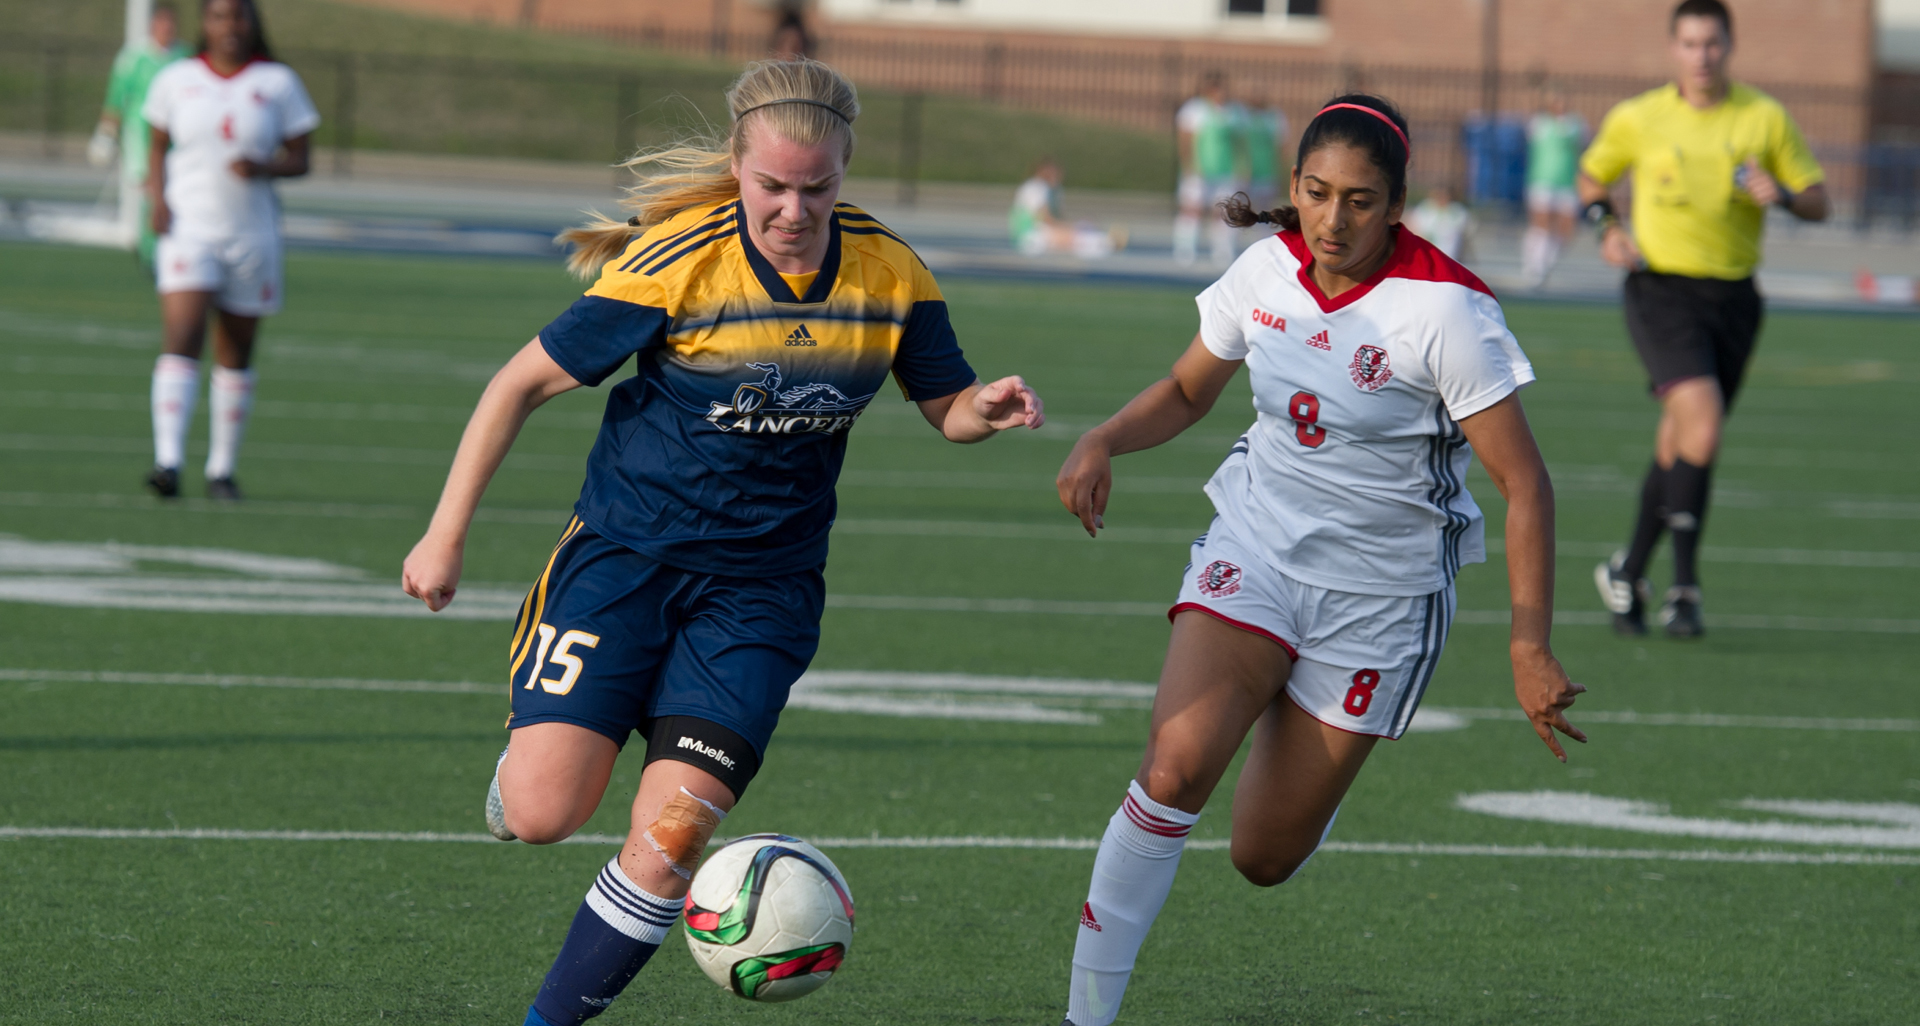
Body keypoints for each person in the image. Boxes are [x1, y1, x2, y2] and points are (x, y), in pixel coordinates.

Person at [399, 58, 1044, 1026]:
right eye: (772, 186)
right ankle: (527, 765)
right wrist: (444, 537)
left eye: (817, 188)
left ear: (845, 172)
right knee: (542, 816)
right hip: (623, 562)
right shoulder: (678, 262)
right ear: (738, 166)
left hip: (762, 595)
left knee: (670, 835)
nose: (794, 208)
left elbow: (944, 405)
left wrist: (979, 408)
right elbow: (517, 385)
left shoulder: (891, 274)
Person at [1051, 94, 1584, 1026]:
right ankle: (1084, 1019)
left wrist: (1528, 646)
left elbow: (1527, 484)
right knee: (1172, 772)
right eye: (1317, 192)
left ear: (1398, 204)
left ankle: (1308, 760)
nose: (1334, 220)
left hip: (1382, 596)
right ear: (1293, 187)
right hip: (1255, 546)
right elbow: (1186, 389)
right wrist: (1102, 439)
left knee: (1263, 856)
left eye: (1361, 201)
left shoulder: (1446, 311)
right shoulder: (1264, 270)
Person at [1581, 0, 1827, 636]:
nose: (1701, 56)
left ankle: (1628, 570)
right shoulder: (1640, 117)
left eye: (1712, 43)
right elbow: (1592, 177)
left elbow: (1819, 199)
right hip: (1660, 289)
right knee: (1704, 423)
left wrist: (1788, 197)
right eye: (1689, 44)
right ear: (1673, 49)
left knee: (1683, 438)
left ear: (1729, 46)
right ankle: (1684, 588)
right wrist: (1607, 228)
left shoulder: (1763, 117)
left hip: (1736, 299)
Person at [140, 0, 318, 501]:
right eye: (219, 16)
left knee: (235, 350)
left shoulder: (277, 82)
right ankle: (168, 462)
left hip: (252, 235)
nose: (229, 26)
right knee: (182, 333)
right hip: (188, 228)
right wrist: (156, 198)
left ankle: (221, 469)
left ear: (252, 22)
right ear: (205, 22)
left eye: (238, 16)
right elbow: (155, 142)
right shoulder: (176, 79)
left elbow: (301, 157)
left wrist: (265, 167)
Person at [89, 1, 191, 264]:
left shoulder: (184, 56)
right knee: (150, 188)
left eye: (171, 24)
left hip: (177, 135)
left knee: (177, 187)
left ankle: (163, 242)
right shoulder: (134, 57)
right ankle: (151, 249)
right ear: (152, 25)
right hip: (141, 135)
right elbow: (116, 98)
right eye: (161, 23)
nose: (166, 29)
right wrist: (106, 134)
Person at [1174, 71, 1243, 267]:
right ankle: (1185, 250)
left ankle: (1222, 251)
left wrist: (1241, 166)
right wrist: (1188, 165)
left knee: (1222, 211)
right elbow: (1185, 139)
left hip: (1225, 170)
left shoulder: (1233, 111)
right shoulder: (1194, 110)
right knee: (1191, 209)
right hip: (1200, 170)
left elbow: (1239, 142)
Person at [1521, 88, 1585, 287]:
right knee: (1542, 223)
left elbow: (1577, 145)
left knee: (1566, 228)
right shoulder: (1539, 123)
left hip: (1567, 182)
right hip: (1542, 180)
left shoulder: (1575, 124)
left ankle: (1546, 260)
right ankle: (1535, 266)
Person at [1009, 158, 1126, 259]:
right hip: (1030, 237)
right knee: (1080, 238)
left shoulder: (1051, 190)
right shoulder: (1036, 188)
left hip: (1034, 234)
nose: (1058, 177)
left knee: (1081, 233)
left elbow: (1056, 219)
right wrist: (1074, 227)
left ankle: (1107, 243)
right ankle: (1108, 243)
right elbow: (1046, 219)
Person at [1238, 97, 1288, 252]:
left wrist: (1278, 170)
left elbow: (1281, 147)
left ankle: (1261, 244)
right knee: (1245, 207)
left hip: (1267, 171)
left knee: (1265, 208)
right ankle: (1237, 244)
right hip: (1248, 172)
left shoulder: (1274, 118)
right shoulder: (1244, 118)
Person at [1405, 182, 1471, 261]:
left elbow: (1466, 233)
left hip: (1450, 258)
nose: (1441, 198)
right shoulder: (1425, 208)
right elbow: (1412, 228)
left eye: (1444, 195)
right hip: (1427, 257)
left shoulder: (1457, 211)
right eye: (1439, 195)